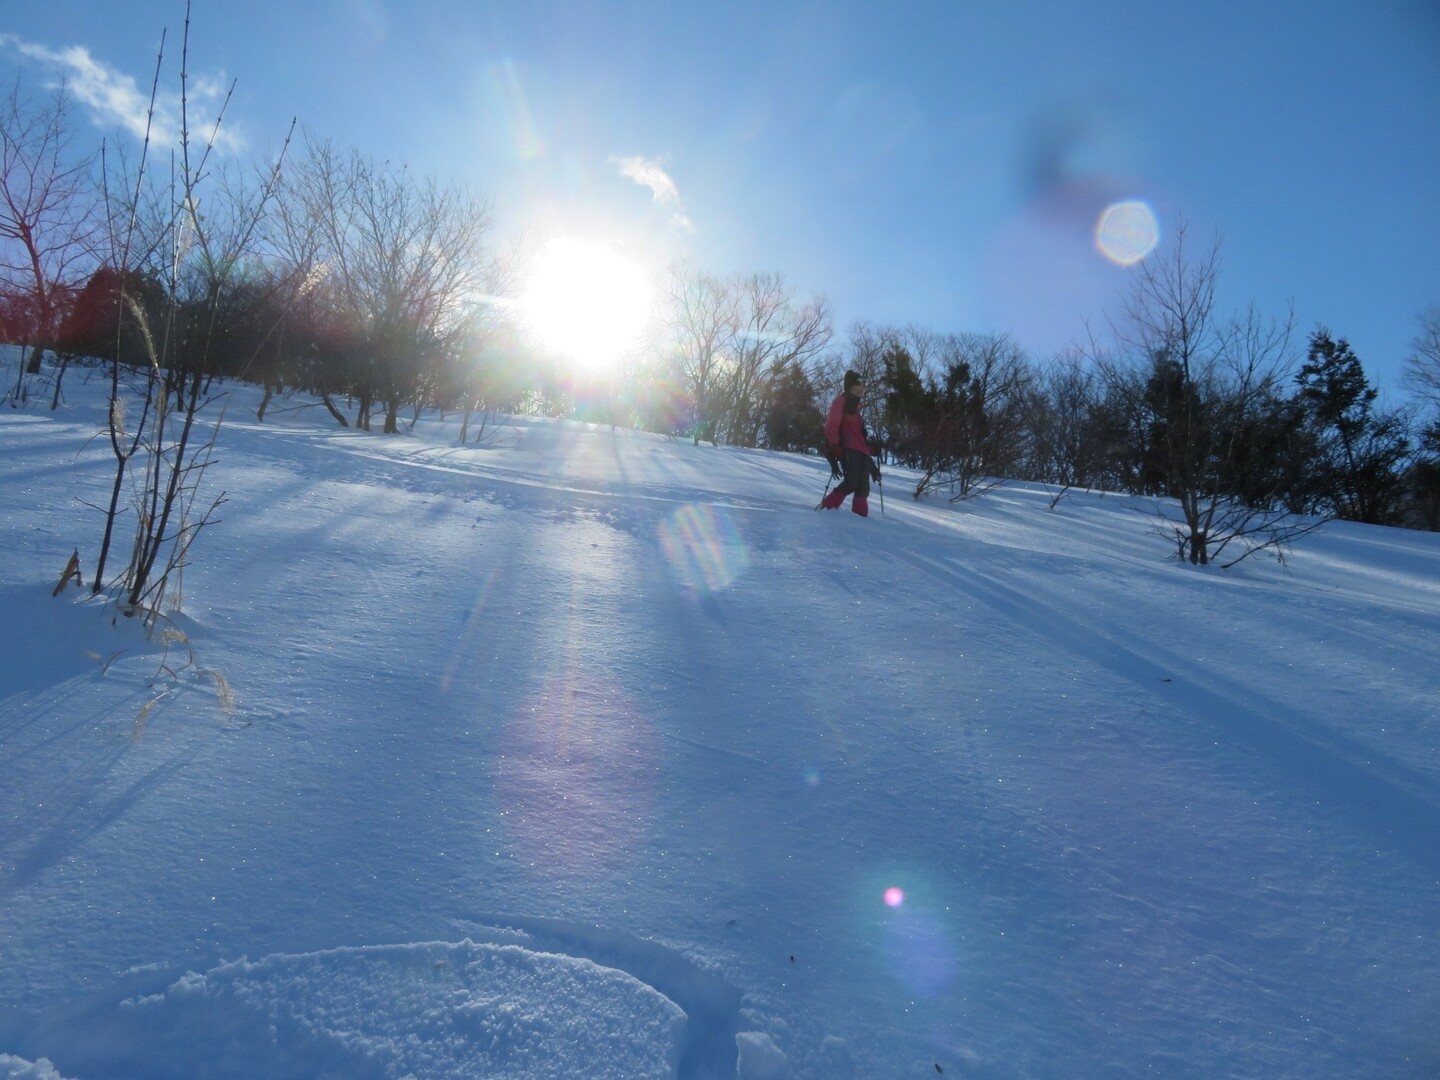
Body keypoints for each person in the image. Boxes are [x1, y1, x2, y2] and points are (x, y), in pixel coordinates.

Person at [819, 369, 881, 516]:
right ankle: (826, 509)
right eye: (858, 384)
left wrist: (872, 450)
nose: (862, 388)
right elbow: (832, 425)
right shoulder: (841, 401)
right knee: (851, 482)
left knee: (863, 489)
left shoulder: (857, 409)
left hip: (861, 452)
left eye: (864, 385)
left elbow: (860, 438)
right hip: (848, 449)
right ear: (849, 385)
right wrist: (835, 445)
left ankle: (860, 519)